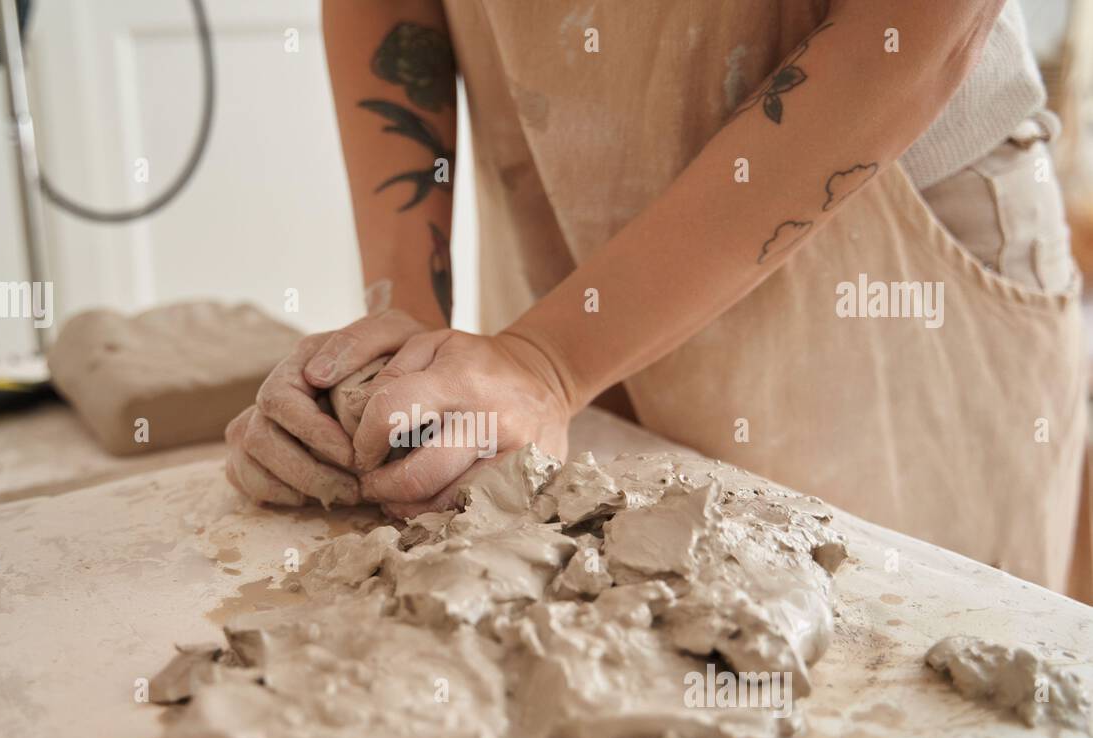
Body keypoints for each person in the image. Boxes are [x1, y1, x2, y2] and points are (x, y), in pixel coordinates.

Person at [226, 0, 1085, 593]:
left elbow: (922, 26)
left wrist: (549, 361)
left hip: (886, 255)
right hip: (560, 249)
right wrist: (402, 336)